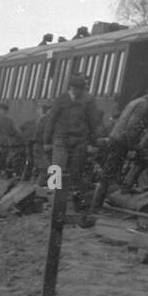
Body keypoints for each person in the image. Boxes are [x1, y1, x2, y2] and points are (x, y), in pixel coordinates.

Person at [41, 74, 102, 211]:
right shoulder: (61, 99)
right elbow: (51, 119)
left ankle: (72, 202)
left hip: (80, 140)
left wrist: (94, 143)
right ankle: (52, 200)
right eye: (76, 89)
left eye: (81, 89)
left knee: (77, 170)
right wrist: (46, 141)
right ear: (71, 88)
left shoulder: (89, 100)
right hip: (61, 138)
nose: (78, 92)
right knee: (57, 168)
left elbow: (93, 122)